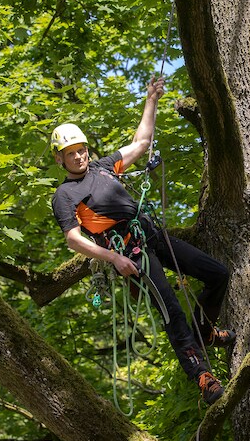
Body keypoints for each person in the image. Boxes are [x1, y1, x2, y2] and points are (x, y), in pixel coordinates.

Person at [50, 77, 235, 405]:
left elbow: (141, 142)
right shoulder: (65, 194)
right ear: (59, 159)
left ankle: (204, 333)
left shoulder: (105, 167)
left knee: (217, 273)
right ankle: (201, 375)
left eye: (81, 150)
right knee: (171, 309)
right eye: (70, 153)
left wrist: (151, 98)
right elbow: (74, 240)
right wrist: (114, 259)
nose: (78, 157)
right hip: (130, 254)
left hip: (154, 236)